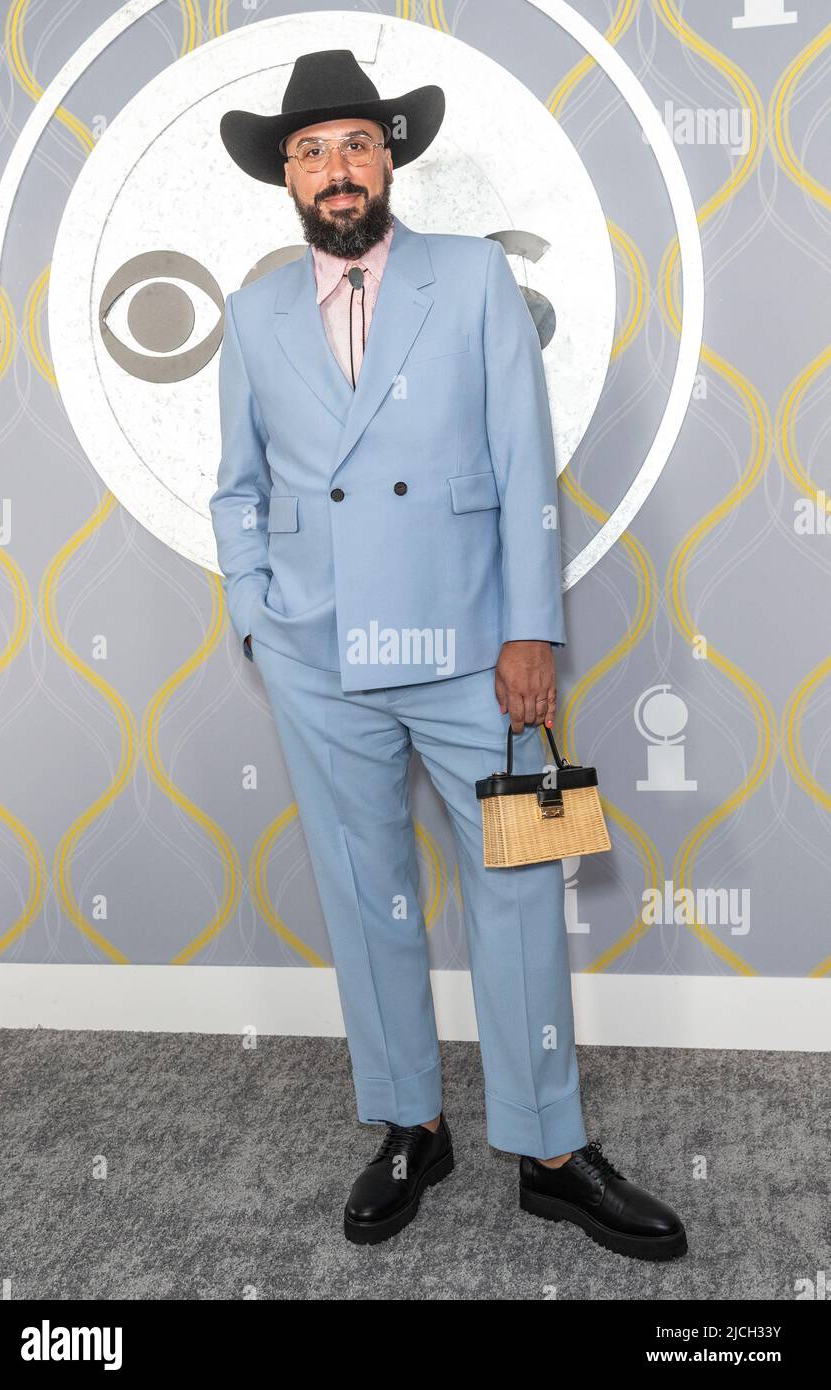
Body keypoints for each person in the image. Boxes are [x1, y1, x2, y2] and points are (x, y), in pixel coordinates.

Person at [211, 48, 686, 1258]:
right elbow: (237, 486)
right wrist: (258, 613)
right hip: (319, 656)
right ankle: (407, 1124)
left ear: (389, 156)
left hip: (471, 647)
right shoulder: (255, 310)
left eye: (354, 143)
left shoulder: (470, 279)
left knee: (518, 891)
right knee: (368, 903)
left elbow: (524, 460)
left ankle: (551, 1147)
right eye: (310, 149)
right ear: (285, 174)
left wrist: (529, 629)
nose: (335, 168)